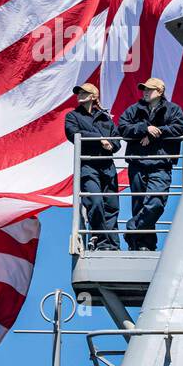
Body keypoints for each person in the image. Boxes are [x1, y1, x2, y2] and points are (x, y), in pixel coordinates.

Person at [118, 77, 183, 251]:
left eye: (149, 89)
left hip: (161, 163)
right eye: (144, 89)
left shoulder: (173, 110)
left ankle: (133, 229)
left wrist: (156, 132)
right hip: (138, 163)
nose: (145, 92)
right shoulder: (134, 110)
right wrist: (144, 128)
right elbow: (122, 127)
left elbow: (179, 128)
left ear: (160, 91)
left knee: (156, 203)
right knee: (139, 205)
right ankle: (143, 245)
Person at [64, 83, 122, 250]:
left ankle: (112, 245)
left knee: (111, 206)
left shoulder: (105, 118)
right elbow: (73, 133)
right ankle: (100, 239)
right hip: (88, 165)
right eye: (79, 92)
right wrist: (98, 138)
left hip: (107, 167)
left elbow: (116, 139)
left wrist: (112, 145)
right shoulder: (73, 116)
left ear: (93, 96)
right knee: (95, 202)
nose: (80, 94)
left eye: (84, 92)